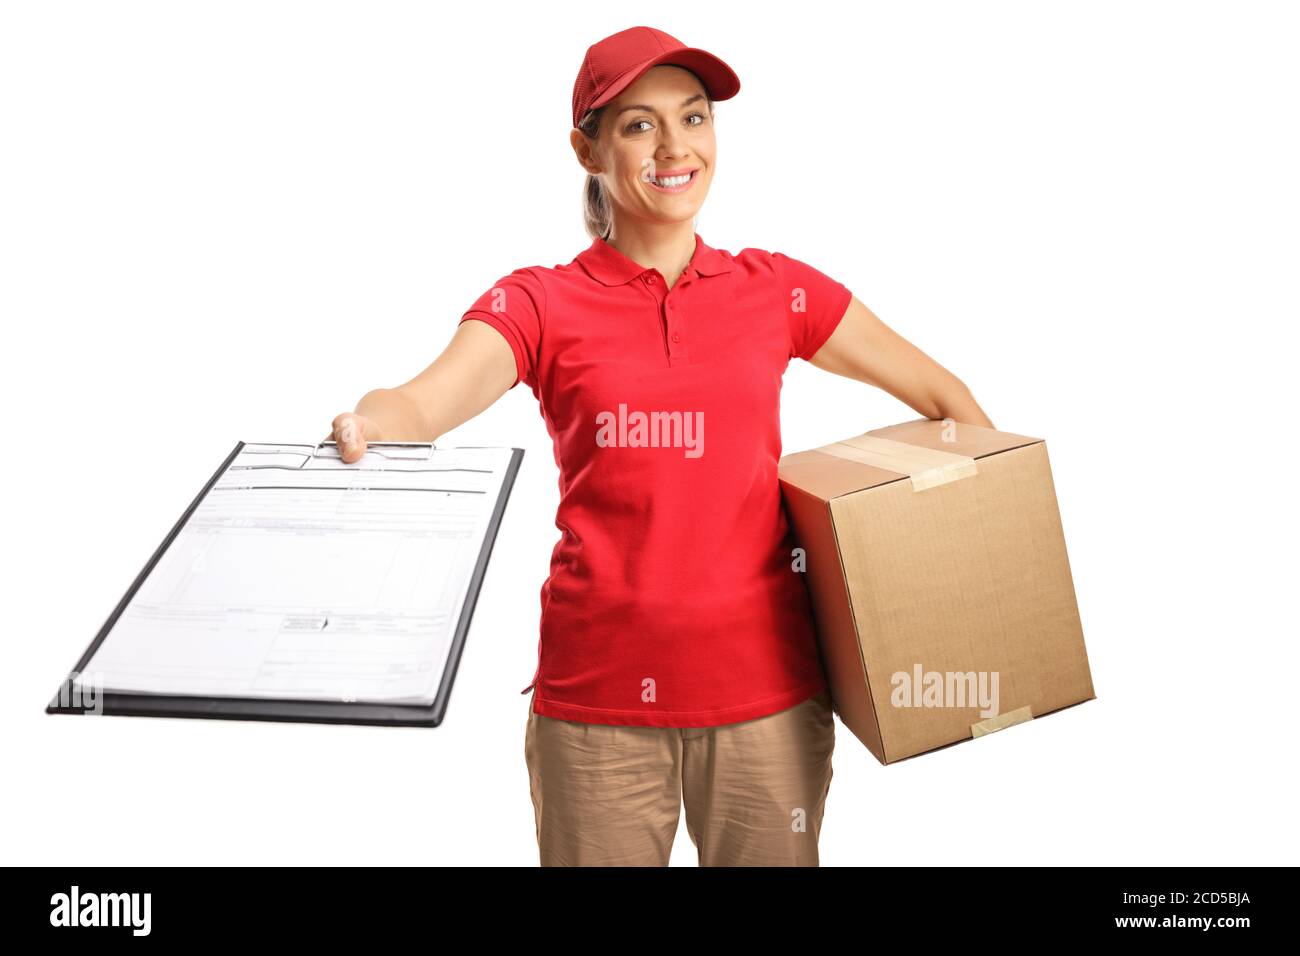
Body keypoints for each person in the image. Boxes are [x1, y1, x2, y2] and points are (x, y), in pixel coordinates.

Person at [326, 26, 994, 866]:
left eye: (695, 117)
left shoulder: (775, 288)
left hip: (770, 703)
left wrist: (977, 579)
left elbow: (949, 402)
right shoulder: (540, 302)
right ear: (587, 149)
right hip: (597, 712)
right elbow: (423, 400)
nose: (676, 147)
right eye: (640, 125)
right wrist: (370, 422)